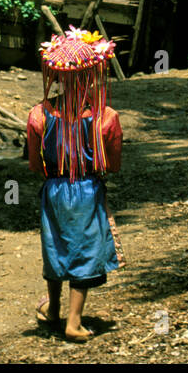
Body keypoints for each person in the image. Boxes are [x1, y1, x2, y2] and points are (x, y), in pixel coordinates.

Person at [27, 27, 122, 342]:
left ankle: (54, 310)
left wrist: (56, 176)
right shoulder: (106, 117)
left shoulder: (37, 116)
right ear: (93, 76)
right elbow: (113, 164)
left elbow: (33, 164)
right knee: (84, 249)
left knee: (55, 246)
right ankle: (74, 322)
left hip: (54, 190)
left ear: (55, 77)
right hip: (86, 189)